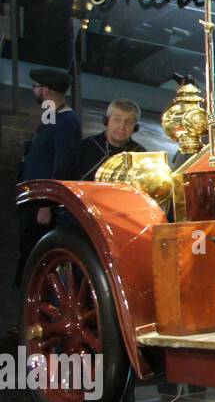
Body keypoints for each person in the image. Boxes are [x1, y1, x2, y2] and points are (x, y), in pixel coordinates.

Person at [14, 68, 81, 285]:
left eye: (35, 87)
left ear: (45, 90)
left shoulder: (67, 123)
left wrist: (48, 206)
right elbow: (44, 130)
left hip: (41, 203)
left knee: (33, 249)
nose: (33, 90)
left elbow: (63, 167)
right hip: (32, 197)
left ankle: (28, 294)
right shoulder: (52, 110)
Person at [56, 99, 144, 181]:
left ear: (136, 128)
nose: (122, 127)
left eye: (128, 122)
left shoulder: (141, 156)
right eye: (117, 120)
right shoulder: (82, 148)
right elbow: (60, 182)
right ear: (106, 121)